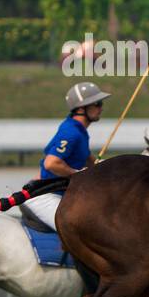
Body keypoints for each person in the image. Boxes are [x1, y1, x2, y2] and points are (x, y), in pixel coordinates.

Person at [25, 82, 110, 229]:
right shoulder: (71, 132)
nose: (101, 108)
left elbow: (88, 158)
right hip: (45, 197)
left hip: (61, 195)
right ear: (81, 108)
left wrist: (109, 169)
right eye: (97, 104)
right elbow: (51, 163)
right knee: (77, 229)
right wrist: (77, 175)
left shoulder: (80, 131)